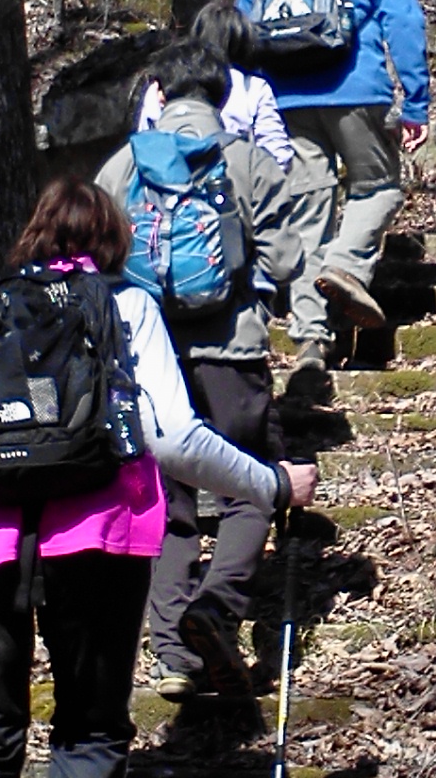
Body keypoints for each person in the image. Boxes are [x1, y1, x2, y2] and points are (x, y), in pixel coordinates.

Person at [0, 175, 317, 778]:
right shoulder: (127, 306)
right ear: (116, 241)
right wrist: (269, 484)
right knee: (89, 730)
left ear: (31, 235)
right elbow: (173, 439)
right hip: (96, 532)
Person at [96, 39, 304, 702]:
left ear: (160, 90)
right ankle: (216, 608)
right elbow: (291, 257)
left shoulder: (126, 161)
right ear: (221, 94)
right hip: (232, 353)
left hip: (147, 357)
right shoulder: (244, 158)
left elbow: (96, 256)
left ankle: (172, 656)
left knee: (169, 499)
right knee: (252, 487)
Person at [236, 0, 430, 371]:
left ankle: (310, 343)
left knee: (308, 213)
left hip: (286, 98)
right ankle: (345, 267)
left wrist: (251, 93)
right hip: (357, 92)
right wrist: (415, 101)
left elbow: (242, 20)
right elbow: (404, 22)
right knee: (379, 187)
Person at [136, 1, 293, 172]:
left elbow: (143, 143)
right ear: (244, 41)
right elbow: (277, 156)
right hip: (233, 183)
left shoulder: (162, 84)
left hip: (167, 180)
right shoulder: (254, 88)